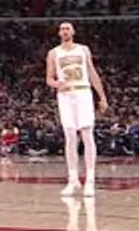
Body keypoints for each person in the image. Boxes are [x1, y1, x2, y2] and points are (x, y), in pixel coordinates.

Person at [46, 21, 109, 196]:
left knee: (87, 135)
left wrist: (102, 97)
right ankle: (73, 180)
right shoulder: (53, 53)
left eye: (67, 28)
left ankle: (90, 180)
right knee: (70, 137)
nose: (65, 31)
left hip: (83, 93)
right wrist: (57, 84)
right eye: (62, 29)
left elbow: (92, 73)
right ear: (59, 33)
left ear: (73, 31)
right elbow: (49, 78)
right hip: (65, 95)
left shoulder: (83, 49)